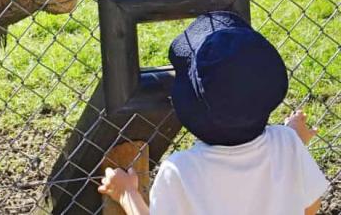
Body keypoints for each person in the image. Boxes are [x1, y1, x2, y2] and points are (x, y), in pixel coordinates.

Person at [98, 11, 329, 215]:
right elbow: (310, 207)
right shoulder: (287, 143)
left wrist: (127, 194)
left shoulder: (180, 171)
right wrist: (291, 142)